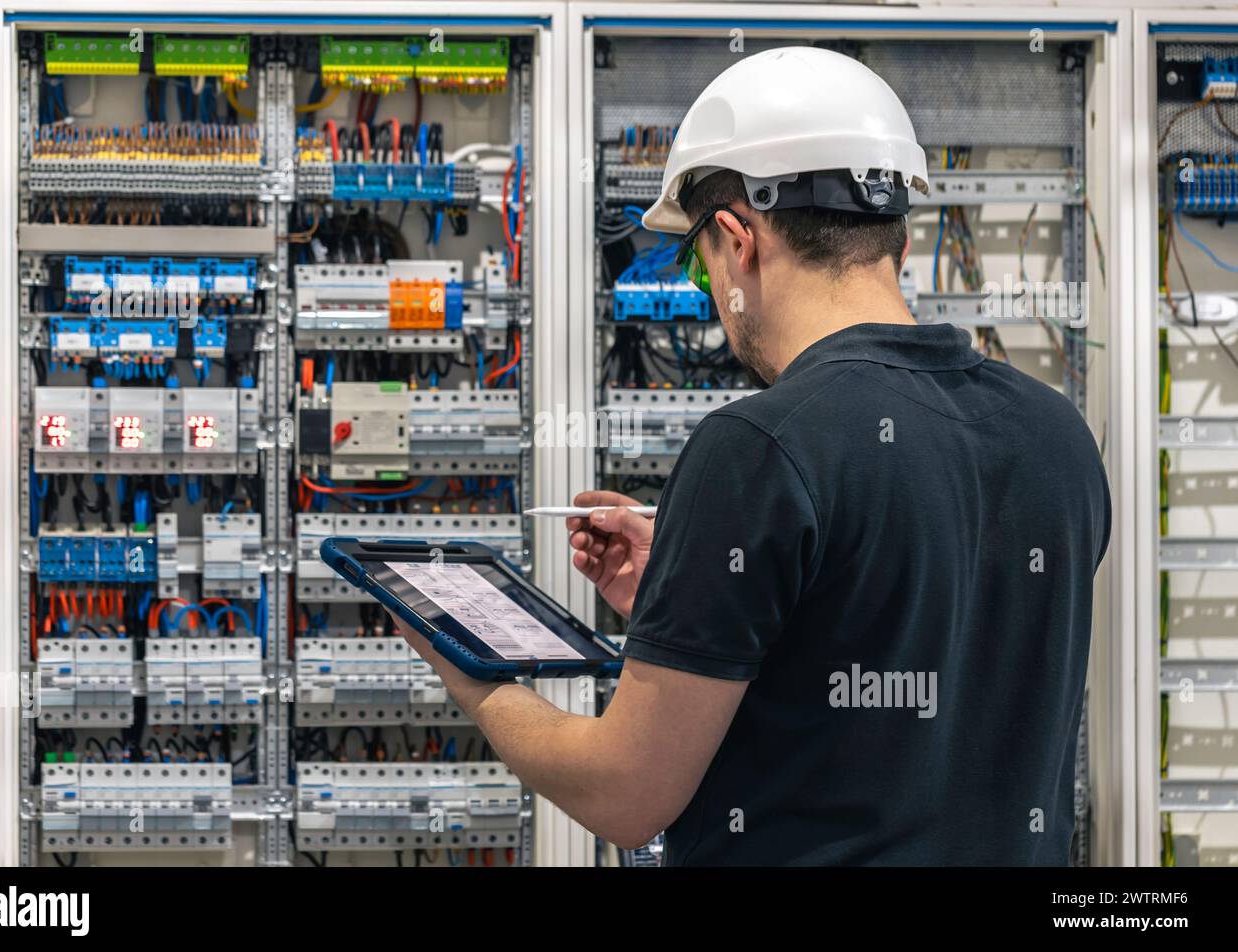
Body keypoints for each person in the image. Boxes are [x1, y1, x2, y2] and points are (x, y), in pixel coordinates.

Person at [390, 47, 1111, 865]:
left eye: (702, 277)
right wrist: (700, 594)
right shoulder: (1057, 433)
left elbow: (626, 795)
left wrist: (476, 679)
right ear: (896, 244)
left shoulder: (759, 446)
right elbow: (906, 655)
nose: (717, 306)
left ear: (738, 242)